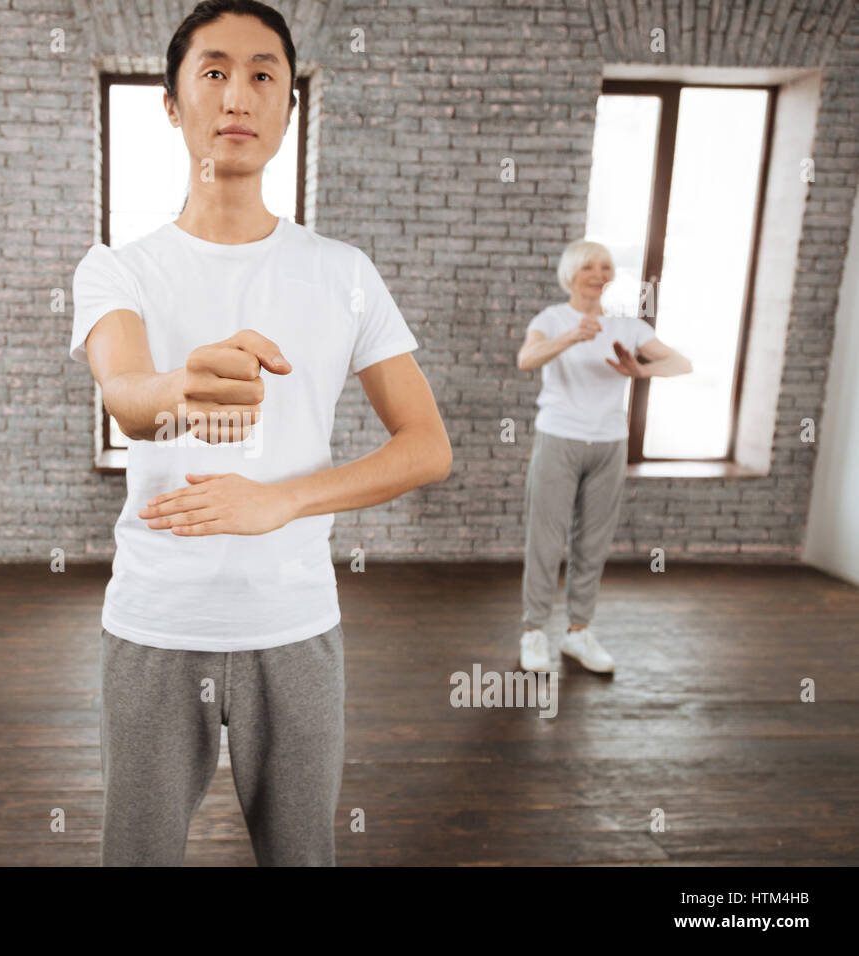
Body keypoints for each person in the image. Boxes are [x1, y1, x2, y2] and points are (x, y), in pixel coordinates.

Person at [69, 0, 451, 866]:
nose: (237, 93)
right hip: (156, 625)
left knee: (301, 855)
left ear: (288, 107)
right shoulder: (117, 269)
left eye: (262, 74)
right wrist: (185, 382)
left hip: (297, 624)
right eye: (212, 72)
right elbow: (127, 397)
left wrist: (282, 501)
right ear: (172, 104)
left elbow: (426, 444)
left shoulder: (343, 273)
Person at [515, 239, 692, 674]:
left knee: (592, 541)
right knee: (545, 538)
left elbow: (681, 363)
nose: (597, 274)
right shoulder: (551, 319)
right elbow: (526, 359)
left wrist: (642, 370)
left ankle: (578, 632)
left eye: (605, 266)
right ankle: (534, 632)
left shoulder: (628, 327)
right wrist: (573, 335)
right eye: (588, 266)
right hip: (559, 439)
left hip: (609, 445)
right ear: (571, 273)